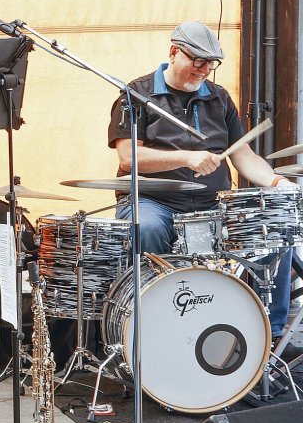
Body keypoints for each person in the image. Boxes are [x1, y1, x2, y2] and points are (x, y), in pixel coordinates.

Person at [109, 21, 299, 361]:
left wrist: (275, 182)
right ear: (174, 52)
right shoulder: (136, 94)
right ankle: (155, 331)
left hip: (211, 205)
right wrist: (186, 157)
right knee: (147, 227)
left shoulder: (218, 97)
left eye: (210, 64)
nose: (204, 70)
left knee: (273, 232)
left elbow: (242, 155)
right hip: (154, 202)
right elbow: (129, 157)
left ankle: (266, 338)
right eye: (197, 61)